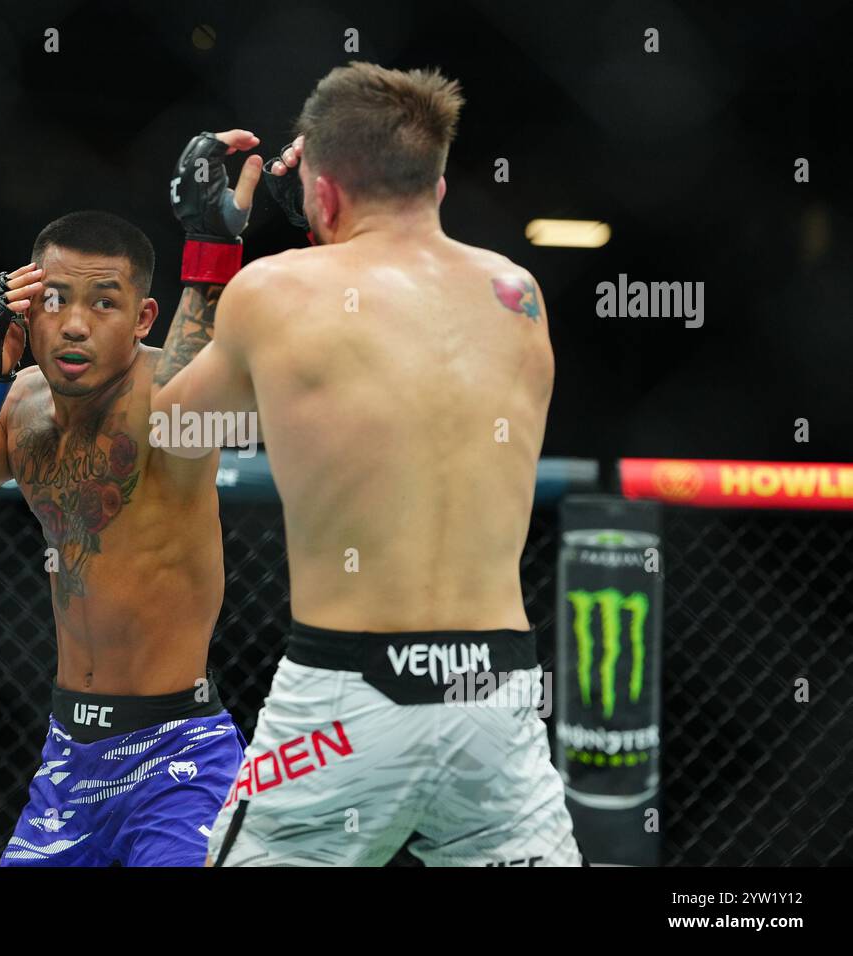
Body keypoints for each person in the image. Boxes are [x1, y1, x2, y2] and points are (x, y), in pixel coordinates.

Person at [152, 63, 582, 866]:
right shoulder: (515, 295)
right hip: (495, 694)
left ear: (323, 194)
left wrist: (214, 252)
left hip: (346, 696)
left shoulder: (276, 292)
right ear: (440, 184)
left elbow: (176, 431)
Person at [0, 130, 264, 865]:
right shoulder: (20, 406)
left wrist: (210, 247)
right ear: (27, 309)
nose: (77, 324)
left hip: (179, 758)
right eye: (55, 300)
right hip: (67, 761)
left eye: (105, 303)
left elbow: (195, 403)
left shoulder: (167, 391)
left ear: (144, 320)